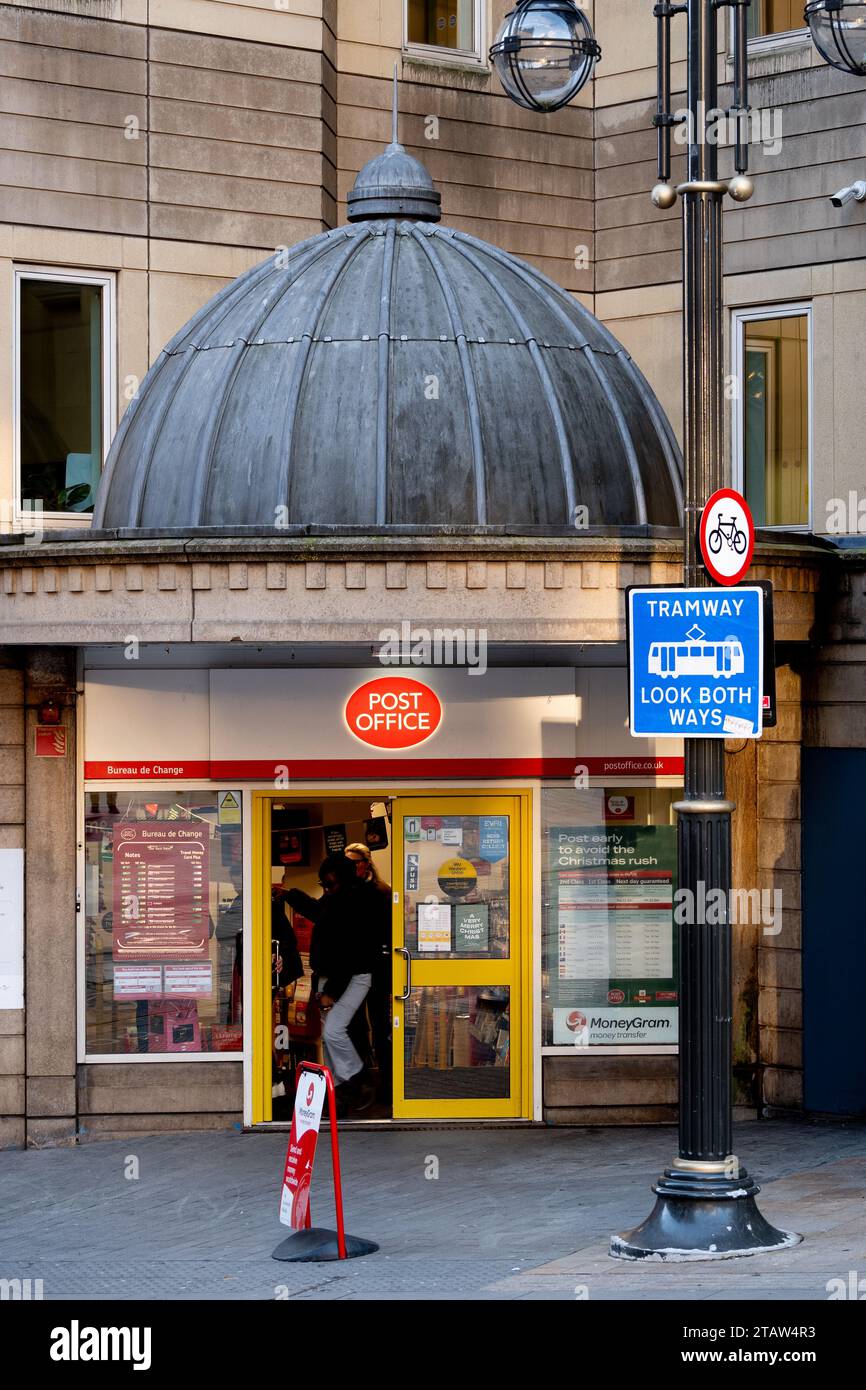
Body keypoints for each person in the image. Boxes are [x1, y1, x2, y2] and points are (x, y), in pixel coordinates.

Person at [285, 854, 380, 1116]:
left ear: (345, 881)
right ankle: (340, 1095)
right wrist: (289, 894)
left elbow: (349, 956)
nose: (326, 890)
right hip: (333, 976)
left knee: (333, 1033)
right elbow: (318, 910)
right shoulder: (339, 899)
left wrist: (331, 992)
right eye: (323, 885)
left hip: (350, 977)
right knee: (328, 1040)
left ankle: (358, 1080)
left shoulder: (354, 904)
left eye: (329, 884)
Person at [345, 842, 393, 1102]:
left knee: (381, 1027)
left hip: (378, 969)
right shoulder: (345, 892)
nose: (351, 867)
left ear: (366, 863)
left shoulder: (382, 893)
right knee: (354, 1028)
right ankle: (360, 1082)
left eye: (355, 862)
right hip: (353, 970)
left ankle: (386, 1086)